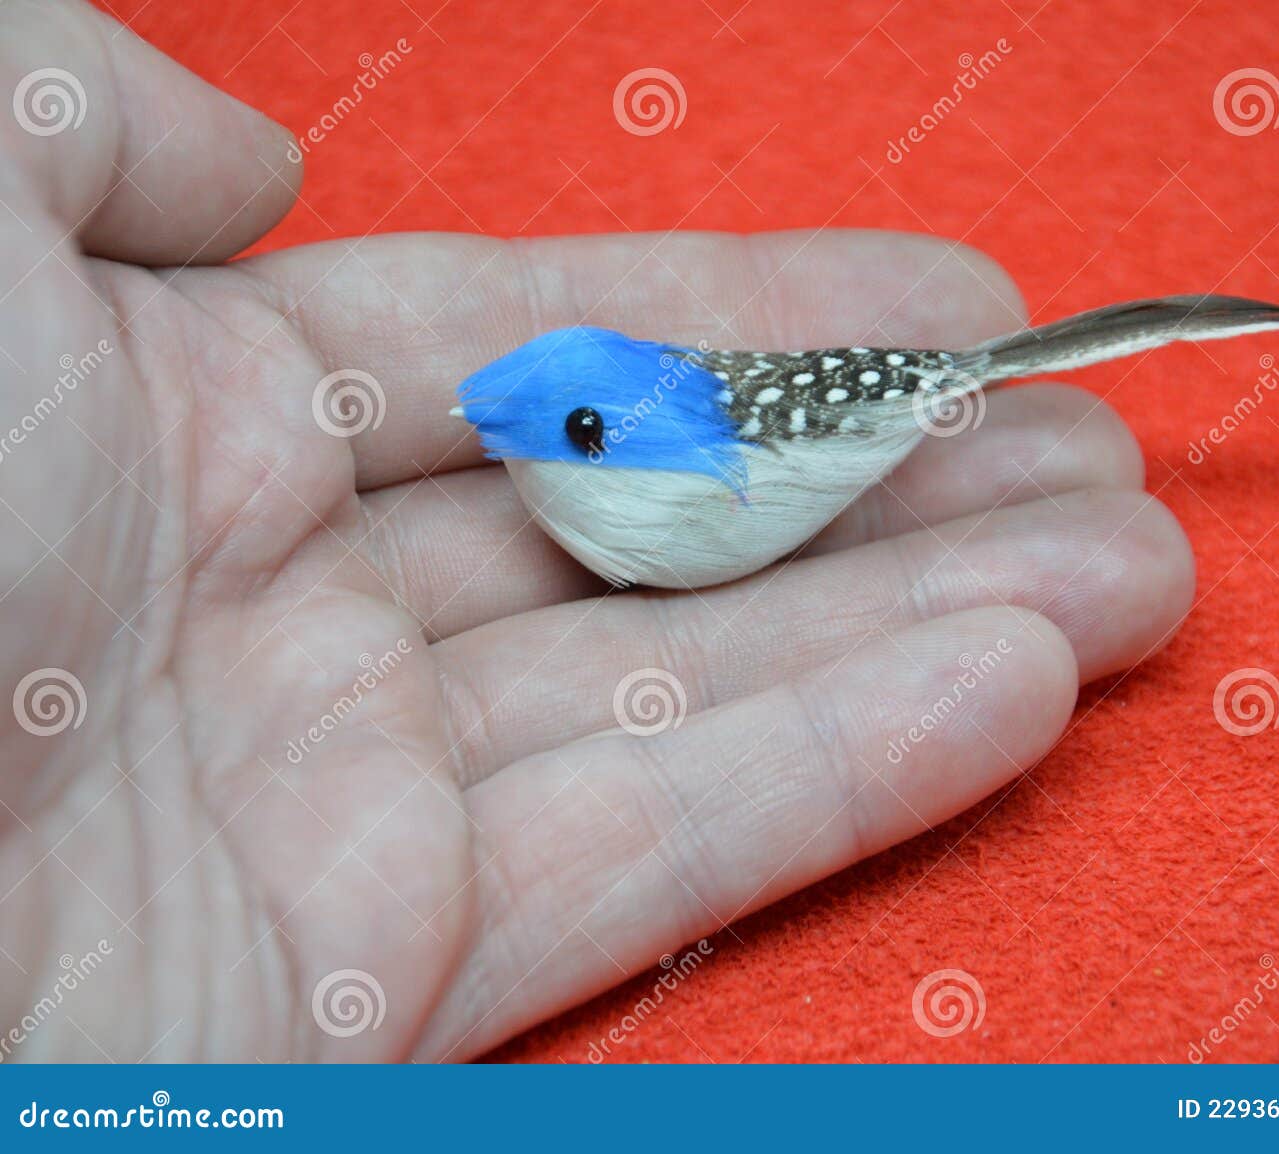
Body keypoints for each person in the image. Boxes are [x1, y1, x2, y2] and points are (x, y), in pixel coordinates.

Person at [0, 0, 1192, 1060]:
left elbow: (784, 430)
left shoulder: (681, 470)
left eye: (562, 435)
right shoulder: (561, 463)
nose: (518, 458)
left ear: (603, 431)